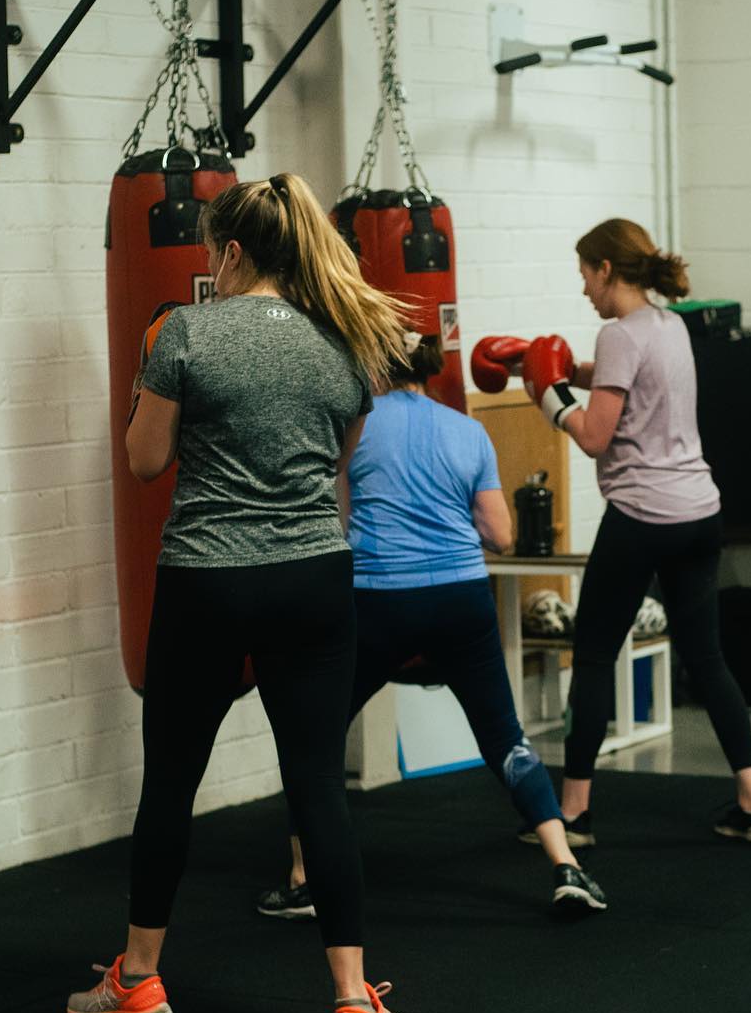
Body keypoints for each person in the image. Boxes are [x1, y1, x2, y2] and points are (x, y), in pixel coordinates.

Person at [66, 173, 408, 1013]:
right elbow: (337, 462)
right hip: (314, 580)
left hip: (208, 581)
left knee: (172, 782)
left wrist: (153, 379)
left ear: (229, 252)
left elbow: (145, 462)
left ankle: (138, 980)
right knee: (318, 787)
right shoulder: (345, 338)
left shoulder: (185, 330)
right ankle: (352, 1001)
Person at [257, 329, 608, 917]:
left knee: (311, 735)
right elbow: (501, 536)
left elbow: (337, 524)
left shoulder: (357, 427)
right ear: (427, 370)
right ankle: (565, 864)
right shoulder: (468, 431)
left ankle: (301, 880)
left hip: (377, 602)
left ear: (375, 367)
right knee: (503, 737)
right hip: (462, 600)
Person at [504, 218, 751, 845]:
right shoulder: (668, 325)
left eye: (584, 276)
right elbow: (622, 376)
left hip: (641, 517)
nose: (583, 291)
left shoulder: (619, 333)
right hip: (698, 513)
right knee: (707, 659)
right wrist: (559, 365)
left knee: (595, 654)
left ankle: (573, 814)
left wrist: (546, 395)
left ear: (606, 270)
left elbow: (596, 435)